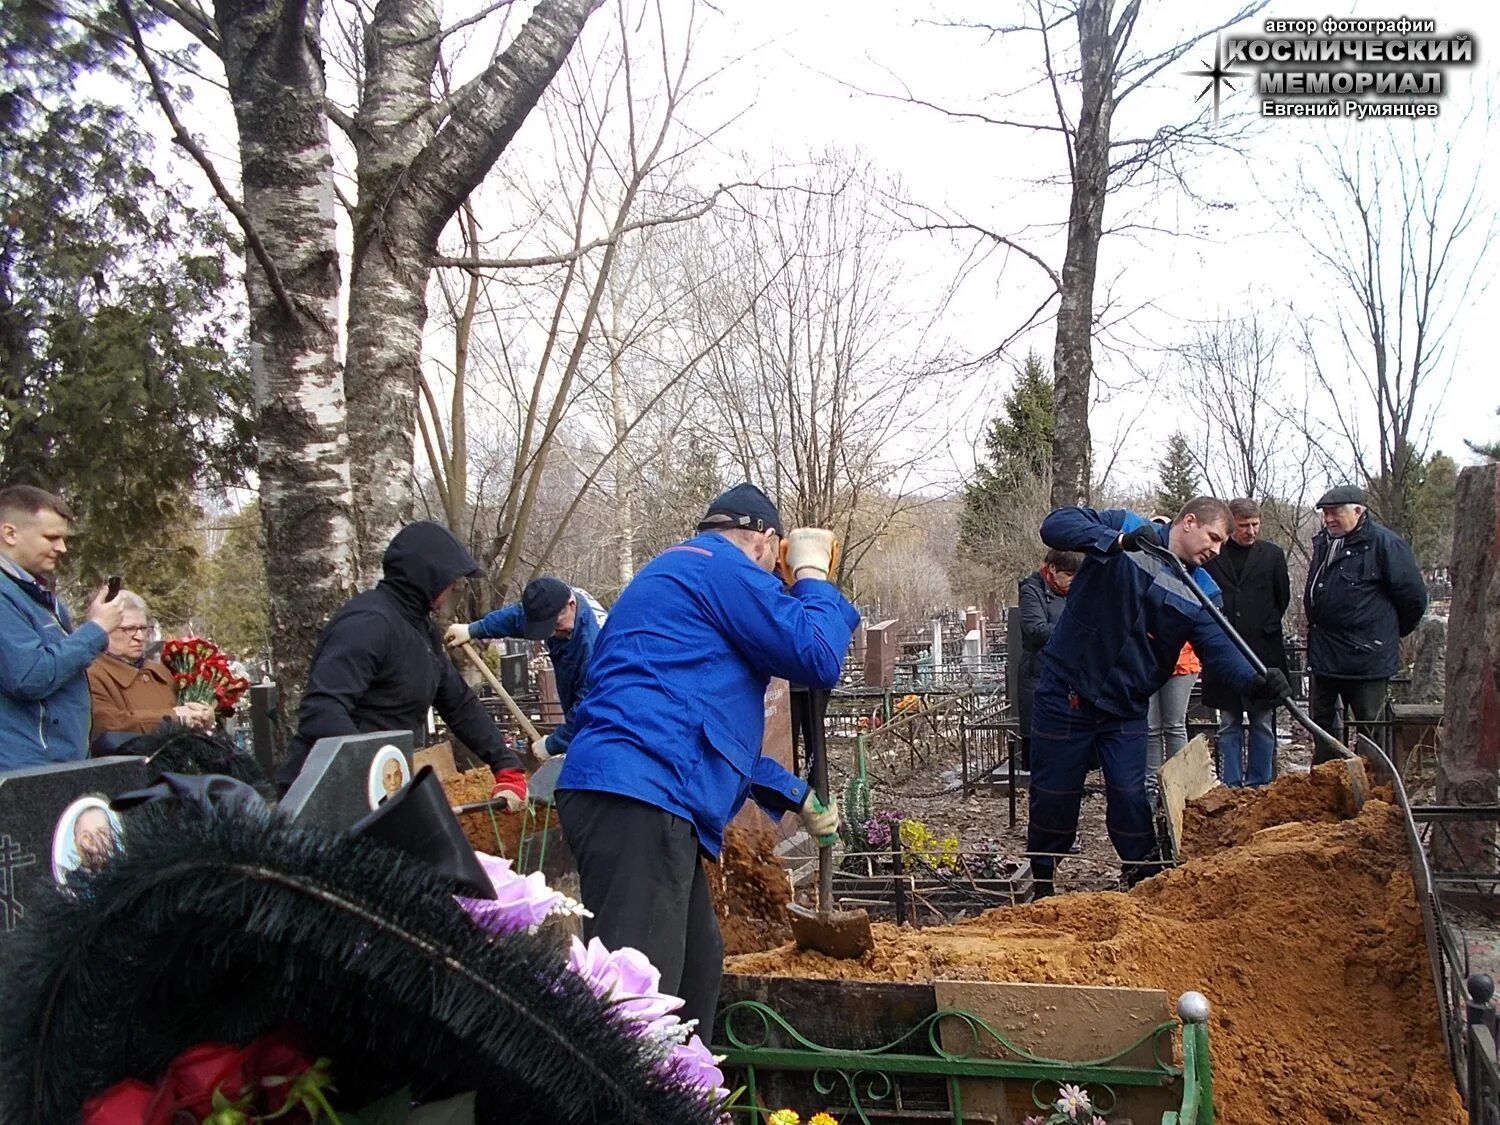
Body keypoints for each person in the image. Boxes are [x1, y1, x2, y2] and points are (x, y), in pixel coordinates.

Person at [554, 483, 858, 1035]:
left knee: (694, 972)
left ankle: (685, 1093)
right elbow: (815, 654)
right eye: (775, 566)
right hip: (640, 796)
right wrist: (812, 577)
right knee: (634, 1007)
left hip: (637, 791)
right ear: (765, 543)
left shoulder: (676, 573)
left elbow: (698, 723)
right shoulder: (722, 566)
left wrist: (797, 795)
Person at [1027, 497, 1284, 896]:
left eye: (1221, 544)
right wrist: (1118, 540)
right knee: (1054, 795)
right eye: (1213, 537)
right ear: (1189, 523)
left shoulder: (1202, 591)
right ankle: (1042, 880)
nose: (1216, 550)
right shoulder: (1128, 529)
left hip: (1126, 707)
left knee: (1132, 797)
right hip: (1068, 693)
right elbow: (1056, 525)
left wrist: (1255, 683)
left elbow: (1218, 649)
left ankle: (1143, 880)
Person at [277, 521, 527, 808]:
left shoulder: (421, 628)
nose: (453, 589)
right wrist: (373, 776)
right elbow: (323, 711)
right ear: (429, 576)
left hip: (380, 792)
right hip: (328, 800)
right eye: (450, 580)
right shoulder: (368, 623)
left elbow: (458, 703)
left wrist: (505, 764)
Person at [0, 484, 124, 770]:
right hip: (24, 770)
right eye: (51, 537)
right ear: (10, 533)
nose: (62, 548)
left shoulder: (35, 596)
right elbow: (29, 675)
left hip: (52, 765)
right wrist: (95, 630)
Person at [1303, 485, 1427, 761]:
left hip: (1367, 660)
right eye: (1325, 514)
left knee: (1371, 732)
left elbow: (1414, 599)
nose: (1329, 519)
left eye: (1335, 513)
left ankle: (1373, 793)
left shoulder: (1385, 544)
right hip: (1325, 656)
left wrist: (1383, 636)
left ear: (1358, 511)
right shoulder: (1325, 543)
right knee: (1323, 730)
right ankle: (1328, 790)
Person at [444, 577, 606, 760]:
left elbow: (590, 708)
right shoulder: (555, 602)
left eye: (556, 626)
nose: (552, 634)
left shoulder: (594, 647)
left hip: (609, 722)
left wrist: (553, 744)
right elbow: (517, 617)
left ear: (571, 604)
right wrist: (474, 629)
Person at [1201, 498, 1290, 787]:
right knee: (1229, 723)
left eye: (1255, 525)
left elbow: (1282, 598)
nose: (1251, 531)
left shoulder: (1272, 556)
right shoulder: (1214, 555)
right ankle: (1231, 784)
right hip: (1225, 652)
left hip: (1264, 651)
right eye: (1243, 526)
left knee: (1262, 722)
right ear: (1230, 525)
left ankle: (1260, 783)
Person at [87, 590, 215, 753]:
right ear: (104, 630)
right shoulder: (91, 674)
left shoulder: (160, 671)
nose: (139, 637)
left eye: (143, 628)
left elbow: (189, 712)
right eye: (129, 629)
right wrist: (175, 718)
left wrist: (205, 715)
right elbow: (107, 724)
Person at [1015, 549, 1082, 771]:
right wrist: (1075, 631)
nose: (1073, 580)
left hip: (1069, 675)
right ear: (1052, 569)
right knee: (1041, 749)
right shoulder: (1031, 590)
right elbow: (1037, 630)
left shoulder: (1074, 591)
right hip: (1038, 673)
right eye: (1069, 574)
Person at [1146, 641, 1200, 777]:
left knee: (1174, 726)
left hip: (1181, 662)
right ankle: (1151, 788)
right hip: (1147, 662)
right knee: (1151, 729)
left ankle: (1177, 785)